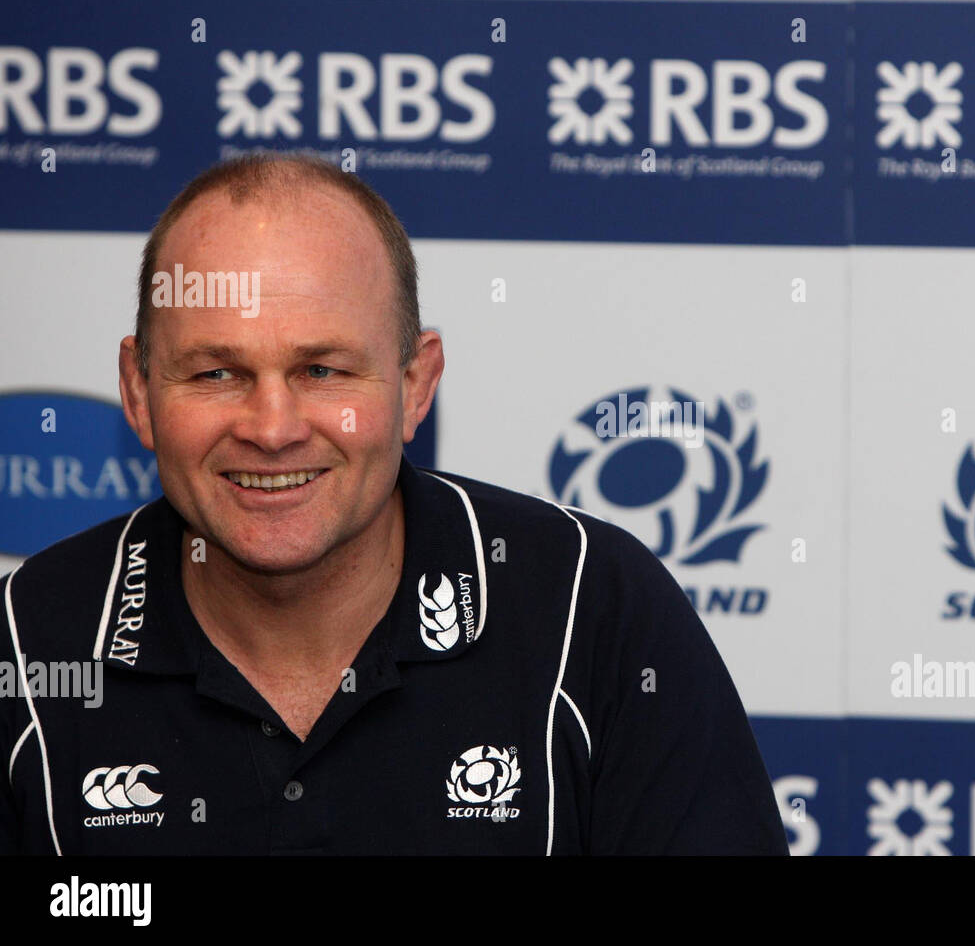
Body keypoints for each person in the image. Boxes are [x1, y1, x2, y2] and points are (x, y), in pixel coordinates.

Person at [0, 153, 788, 855]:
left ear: (416, 385)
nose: (272, 430)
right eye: (215, 374)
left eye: (324, 371)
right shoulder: (26, 646)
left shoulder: (595, 608)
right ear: (138, 393)